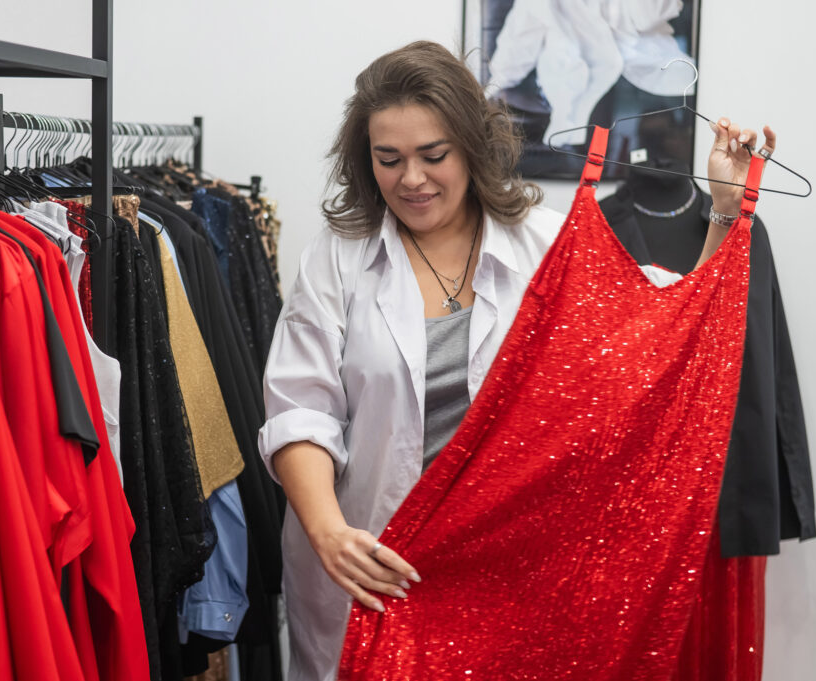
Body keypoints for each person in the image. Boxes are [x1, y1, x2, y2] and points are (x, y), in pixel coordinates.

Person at [257, 40, 775, 681]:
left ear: (472, 148)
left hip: (504, 583)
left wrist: (726, 212)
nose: (411, 179)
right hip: (367, 562)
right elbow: (299, 412)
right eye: (387, 160)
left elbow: (665, 327)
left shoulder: (547, 243)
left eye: (433, 156)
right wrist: (328, 533)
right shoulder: (338, 257)